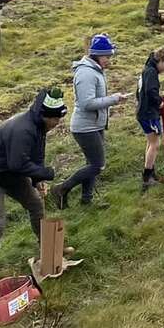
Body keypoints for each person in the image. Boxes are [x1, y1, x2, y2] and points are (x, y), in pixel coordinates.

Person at [0, 88, 67, 283]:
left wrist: (37, 180)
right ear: (44, 116)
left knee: (35, 205)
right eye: (55, 119)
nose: (58, 123)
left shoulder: (40, 127)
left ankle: (48, 247)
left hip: (13, 174)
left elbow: (35, 157)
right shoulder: (23, 129)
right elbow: (19, 163)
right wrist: (47, 173)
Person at [54, 34, 127, 209]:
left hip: (95, 125)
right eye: (107, 57)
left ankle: (87, 201)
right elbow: (87, 103)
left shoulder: (95, 70)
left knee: (91, 164)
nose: (109, 60)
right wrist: (114, 99)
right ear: (97, 55)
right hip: (85, 128)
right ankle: (62, 189)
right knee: (97, 165)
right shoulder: (86, 73)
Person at [135, 46, 164, 192]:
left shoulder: (147, 69)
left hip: (143, 111)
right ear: (159, 60)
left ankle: (150, 171)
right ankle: (147, 177)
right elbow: (150, 91)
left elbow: (139, 91)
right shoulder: (151, 72)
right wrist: (159, 101)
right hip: (148, 113)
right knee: (155, 143)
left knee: (150, 141)